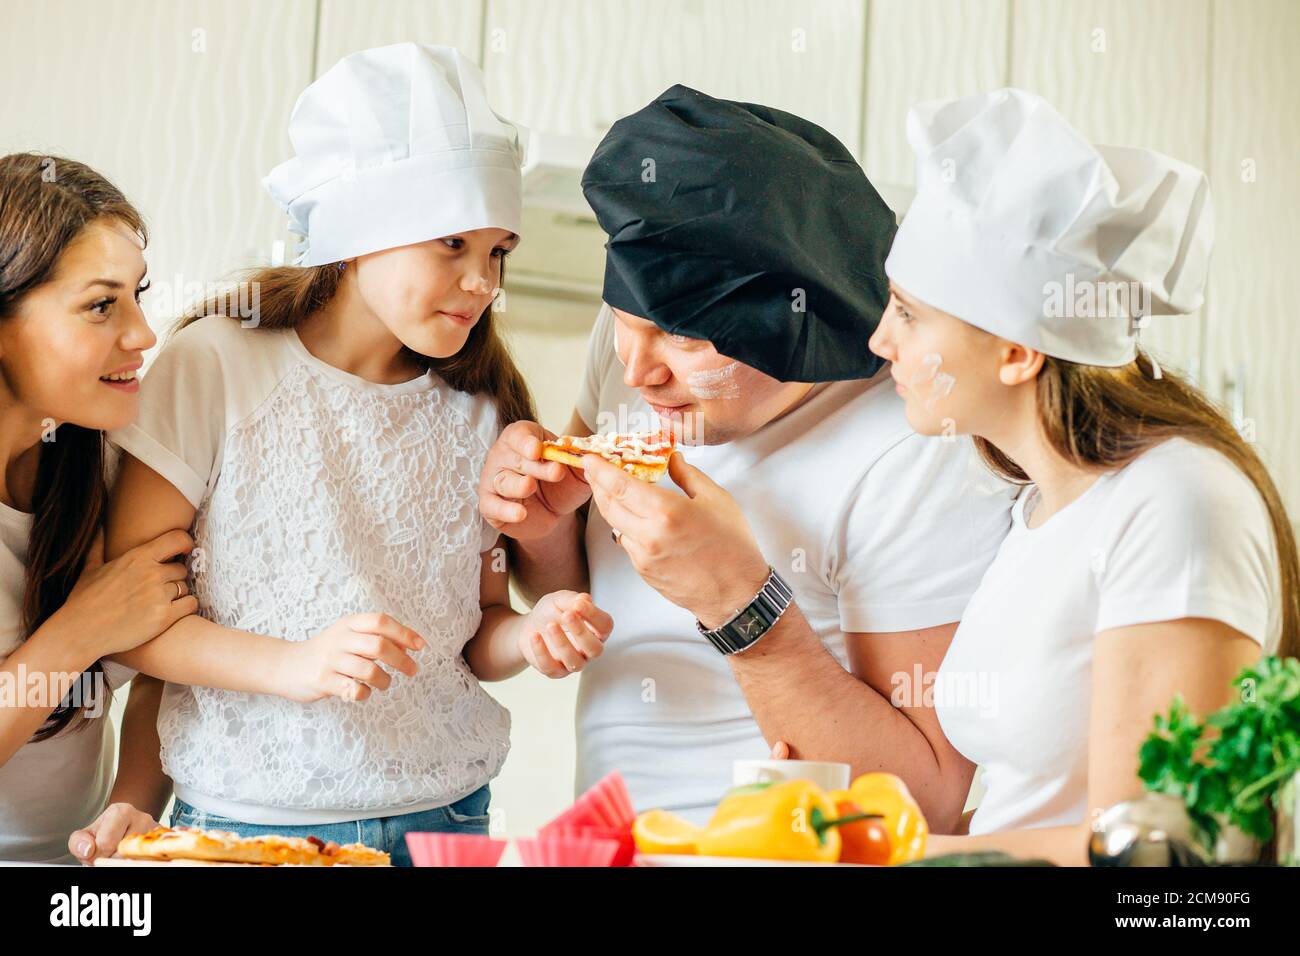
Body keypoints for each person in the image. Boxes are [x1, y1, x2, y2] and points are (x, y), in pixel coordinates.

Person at [102, 44, 611, 866]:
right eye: (451, 243)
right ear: (358, 232)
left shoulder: (482, 405)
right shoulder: (216, 367)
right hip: (246, 827)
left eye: (497, 252)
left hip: (446, 822)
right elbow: (129, 624)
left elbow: (475, 634)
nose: (483, 281)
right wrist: (295, 666)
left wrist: (533, 632)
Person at [479, 86, 1018, 828]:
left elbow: (920, 801)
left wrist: (738, 602)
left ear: (790, 325)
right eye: (625, 321)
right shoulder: (629, 350)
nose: (637, 372)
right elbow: (570, 592)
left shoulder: (915, 449)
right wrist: (542, 526)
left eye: (686, 338)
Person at [861, 88, 1295, 864]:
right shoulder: (1038, 508)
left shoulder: (1177, 502)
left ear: (1018, 351)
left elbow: (1158, 857)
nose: (879, 339)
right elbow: (1023, 815)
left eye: (909, 313)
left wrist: (902, 860)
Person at [0, 153, 198, 864]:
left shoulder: (109, 459)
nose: (144, 334)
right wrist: (82, 627)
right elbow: (106, 630)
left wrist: (133, 799)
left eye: (139, 295)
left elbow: (159, 667)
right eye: (100, 304)